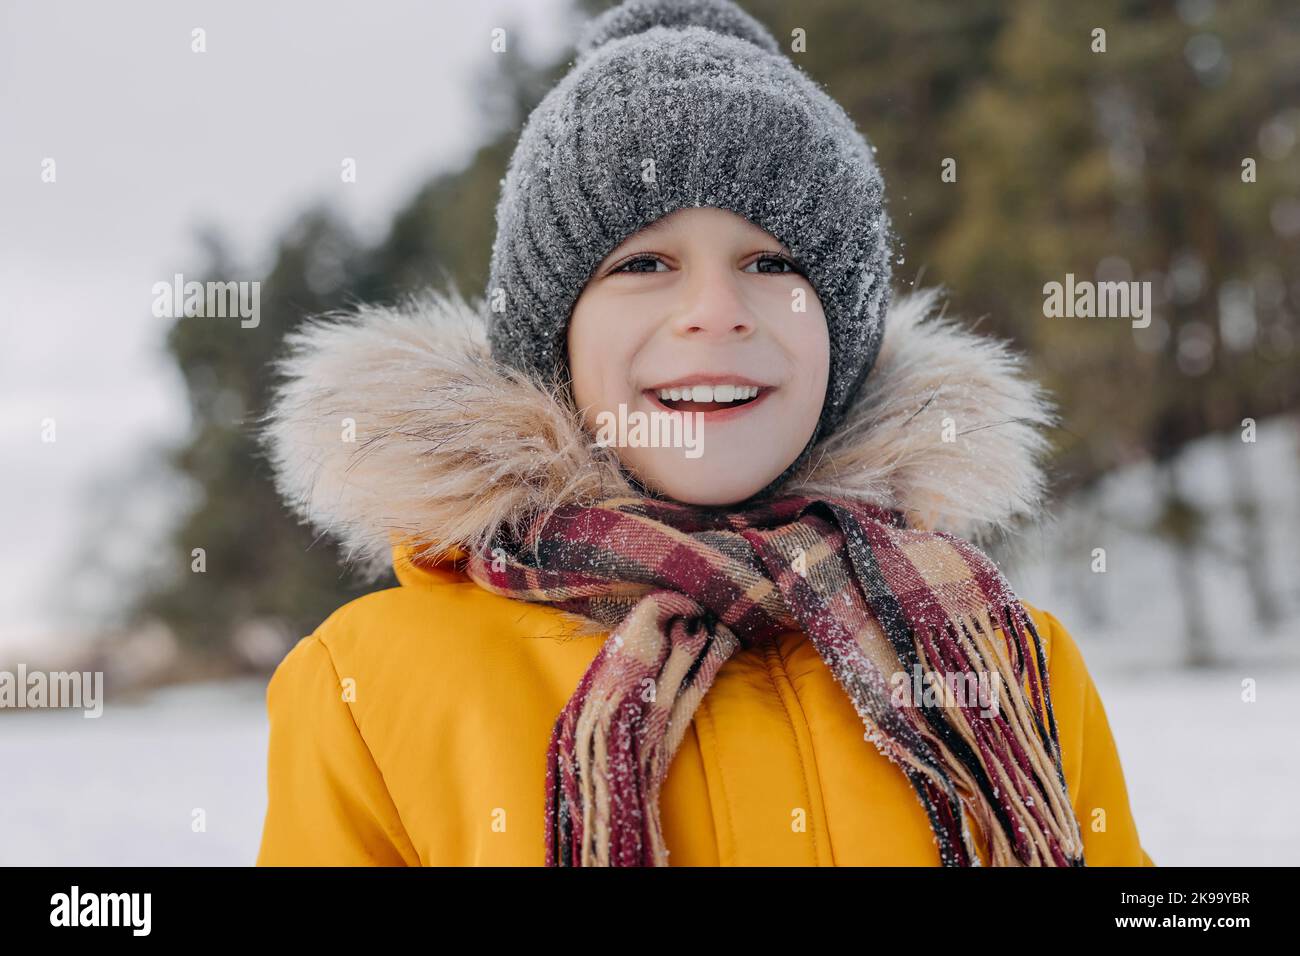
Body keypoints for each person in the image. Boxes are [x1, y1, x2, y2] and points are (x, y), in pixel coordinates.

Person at [255, 0, 1154, 867]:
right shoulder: (367, 684)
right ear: (550, 334)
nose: (716, 313)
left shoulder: (1002, 654)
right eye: (644, 263)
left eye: (773, 263)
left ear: (842, 334)